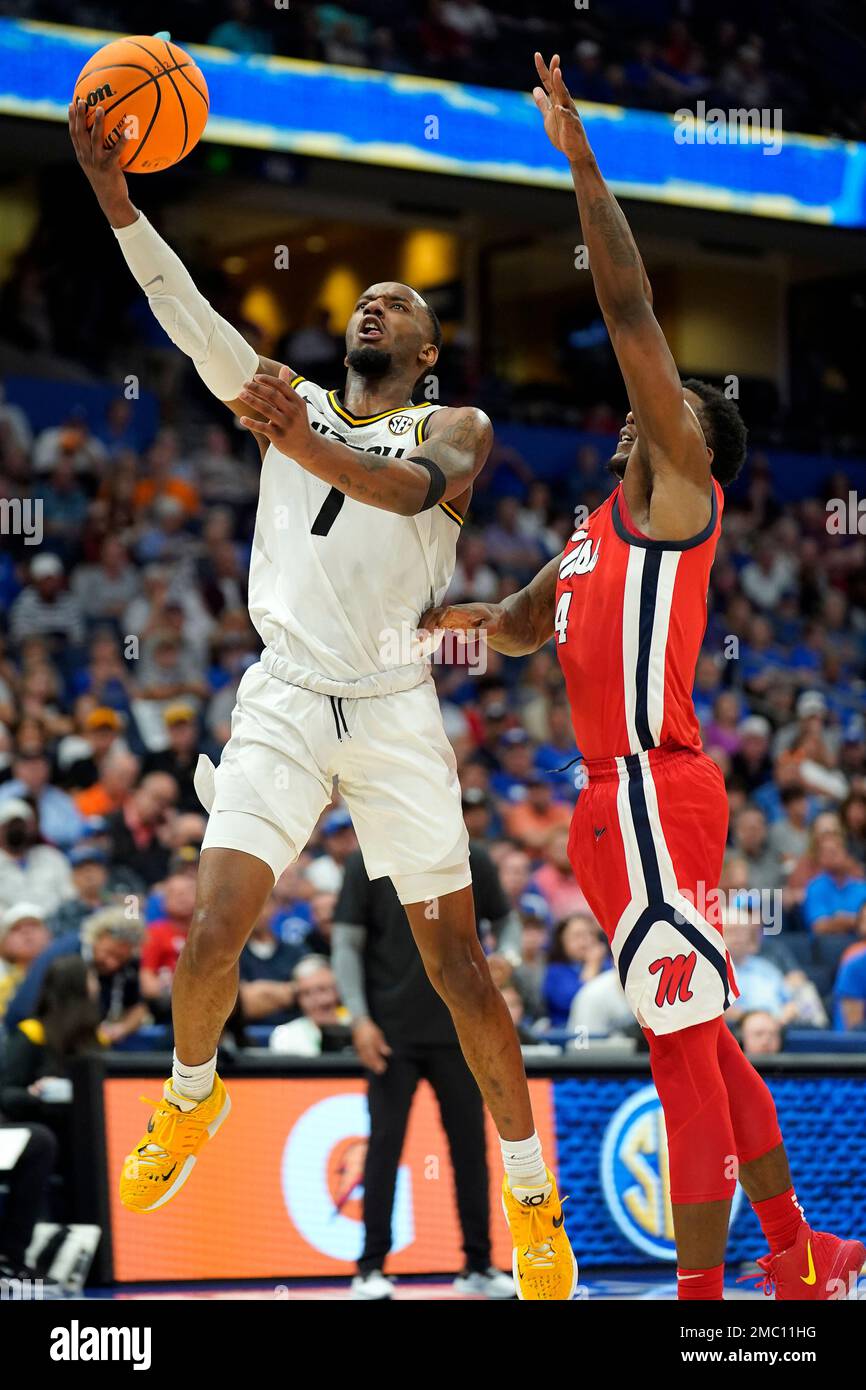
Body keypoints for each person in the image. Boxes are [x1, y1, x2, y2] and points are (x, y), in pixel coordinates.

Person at [70, 97, 576, 1295]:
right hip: (287, 693)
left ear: (425, 348)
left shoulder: (454, 422)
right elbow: (184, 314)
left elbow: (404, 494)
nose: (373, 306)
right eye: (364, 300)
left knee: (461, 974)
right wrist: (112, 194)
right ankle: (190, 1101)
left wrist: (293, 436)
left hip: (396, 701)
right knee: (211, 927)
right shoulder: (281, 393)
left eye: (397, 304)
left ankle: (530, 1201)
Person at [421, 51, 865, 1302]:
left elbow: (626, 315)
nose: (622, 420)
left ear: (687, 440)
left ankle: (700, 1302)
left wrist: (580, 163)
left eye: (650, 412)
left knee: (675, 1056)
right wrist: (414, 626)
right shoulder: (584, 536)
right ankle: (798, 1259)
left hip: (652, 793)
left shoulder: (681, 486)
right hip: (608, 811)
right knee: (702, 1037)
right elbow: (513, 625)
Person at [332, 844, 518, 1301]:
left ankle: (478, 1263)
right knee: (383, 1147)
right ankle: (370, 1268)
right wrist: (358, 1018)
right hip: (391, 1033)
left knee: (471, 1149)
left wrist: (509, 957)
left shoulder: (473, 856)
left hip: (460, 1028)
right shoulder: (368, 859)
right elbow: (346, 942)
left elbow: (507, 920)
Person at [267, 957, 350, 1055]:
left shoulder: (357, 1026)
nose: (317, 1000)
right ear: (298, 1000)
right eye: (306, 993)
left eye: (322, 990)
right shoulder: (286, 1037)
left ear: (338, 991)